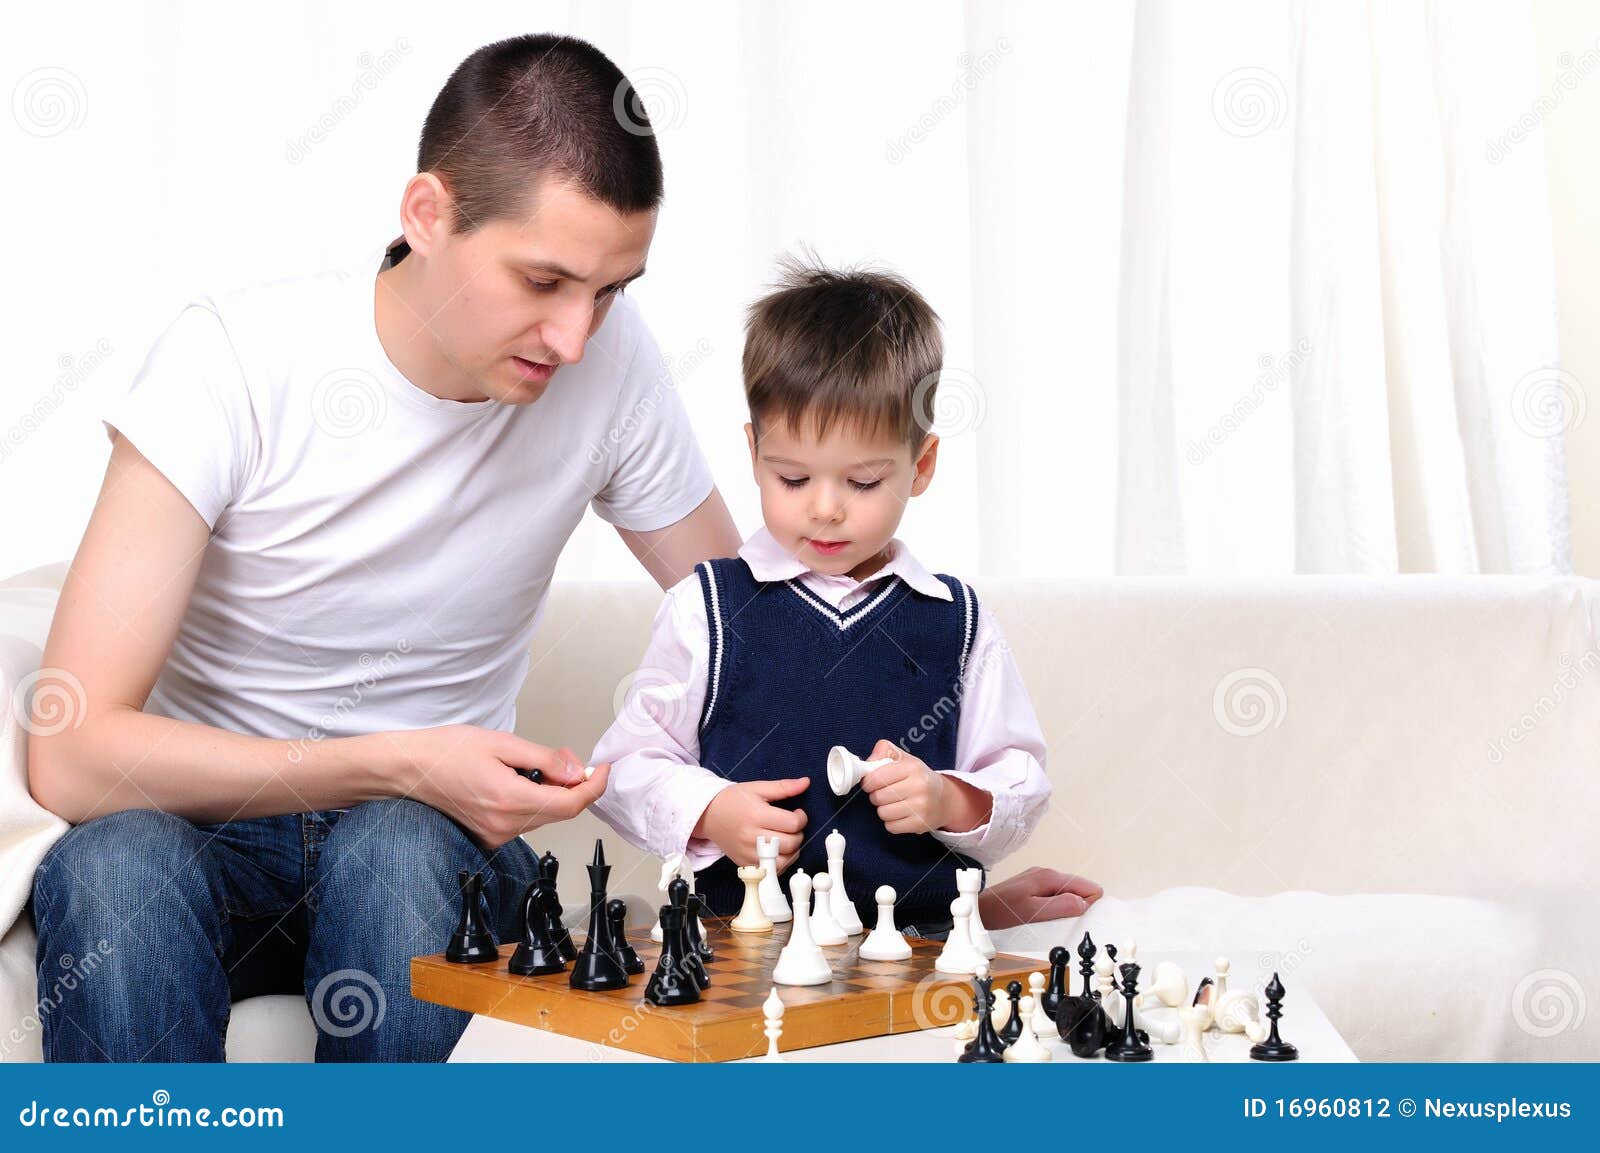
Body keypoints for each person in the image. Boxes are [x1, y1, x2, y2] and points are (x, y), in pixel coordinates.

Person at [25, 34, 741, 1062]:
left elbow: (752, 636)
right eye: (542, 280)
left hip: (424, 857)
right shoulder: (233, 362)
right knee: (117, 863)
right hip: (207, 838)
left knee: (399, 850)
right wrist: (402, 760)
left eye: (610, 291)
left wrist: (938, 871)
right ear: (426, 214)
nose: (574, 338)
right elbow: (71, 749)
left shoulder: (609, 368)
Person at [591, 258, 1102, 934]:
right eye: (792, 477)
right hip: (743, 960)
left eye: (862, 482)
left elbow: (1019, 779)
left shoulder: (958, 622)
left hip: (915, 961)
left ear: (921, 467)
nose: (825, 509)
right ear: (753, 452)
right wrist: (711, 810)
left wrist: (948, 796)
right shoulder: (706, 609)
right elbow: (624, 766)